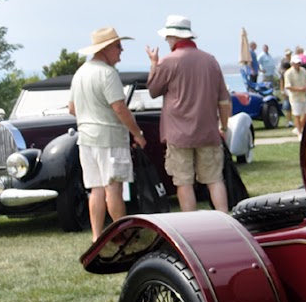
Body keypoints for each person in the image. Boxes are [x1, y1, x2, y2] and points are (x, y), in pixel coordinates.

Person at [67, 27, 147, 239]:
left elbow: (72, 109)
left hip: (85, 138)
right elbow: (119, 107)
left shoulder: (80, 73)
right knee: (113, 189)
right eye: (119, 47)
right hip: (109, 137)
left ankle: (96, 235)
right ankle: (120, 234)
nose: (121, 52)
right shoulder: (107, 73)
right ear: (107, 49)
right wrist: (137, 133)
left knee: (96, 189)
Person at [146, 15, 231, 213]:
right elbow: (224, 101)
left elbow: (153, 90)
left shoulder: (168, 61)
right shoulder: (210, 61)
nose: (167, 41)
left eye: (167, 37)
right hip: (208, 131)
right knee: (214, 179)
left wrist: (153, 64)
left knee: (183, 182)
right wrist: (224, 127)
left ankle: (191, 224)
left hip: (178, 134)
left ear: (173, 37)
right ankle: (225, 219)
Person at [283, 58, 306, 130]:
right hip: (295, 96)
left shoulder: (303, 71)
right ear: (292, 64)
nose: (297, 65)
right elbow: (288, 86)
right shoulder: (288, 73)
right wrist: (299, 89)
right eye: (296, 63)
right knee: (297, 115)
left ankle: (299, 128)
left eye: (299, 63)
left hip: (305, 95)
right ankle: (299, 132)